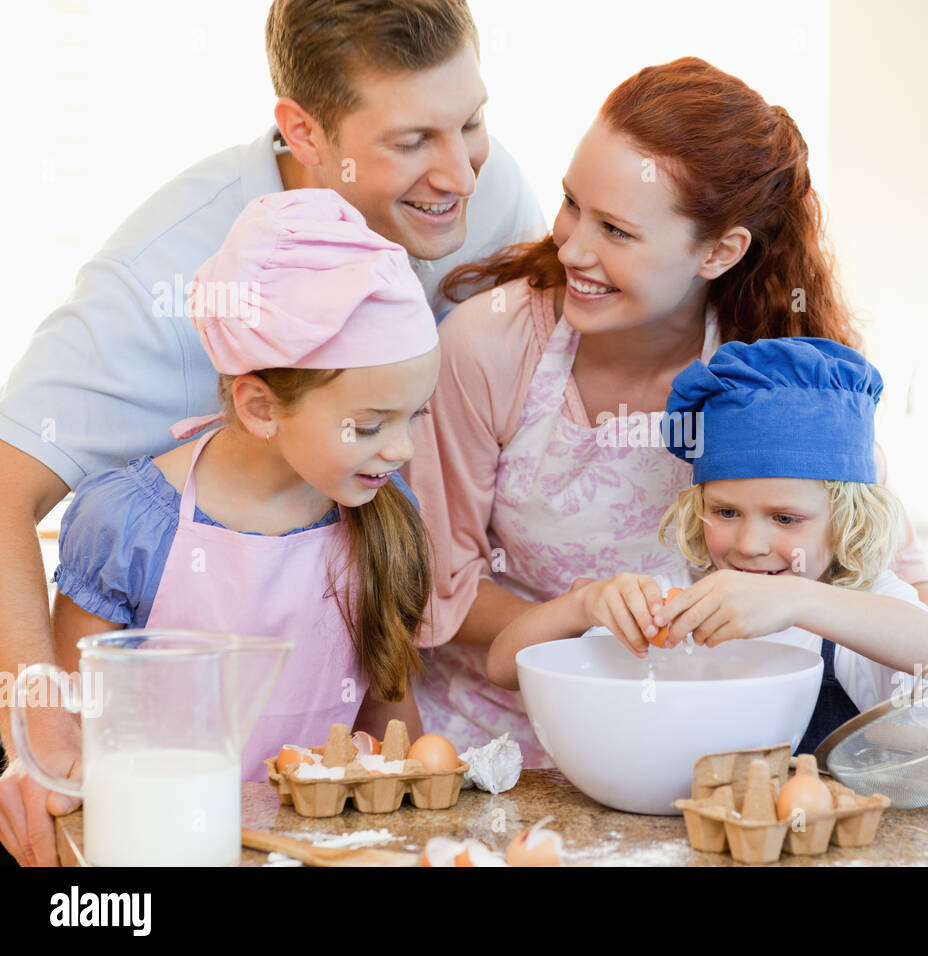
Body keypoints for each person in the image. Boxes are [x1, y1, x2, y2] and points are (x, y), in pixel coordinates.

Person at [0, 0, 541, 865]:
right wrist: (41, 727)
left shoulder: (477, 177)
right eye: (411, 143)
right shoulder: (158, 283)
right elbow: (2, 486)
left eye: (472, 123)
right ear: (303, 131)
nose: (462, 176)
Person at [406, 57, 928, 767]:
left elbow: (912, 606)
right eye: (573, 203)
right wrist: (597, 621)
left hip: (703, 745)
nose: (572, 247)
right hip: (498, 746)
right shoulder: (490, 345)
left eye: (617, 230)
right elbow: (439, 592)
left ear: (720, 251)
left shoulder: (777, 376)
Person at [51, 189, 439, 781]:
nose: (401, 450)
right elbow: (73, 738)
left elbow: (391, 725)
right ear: (260, 407)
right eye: (368, 425)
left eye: (416, 416)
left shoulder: (384, 515)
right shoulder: (126, 525)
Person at [485, 337, 928, 754]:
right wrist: (582, 605)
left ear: (847, 520)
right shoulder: (678, 599)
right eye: (726, 512)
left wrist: (795, 600)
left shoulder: (864, 607)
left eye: (785, 518)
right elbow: (503, 668)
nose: (750, 544)